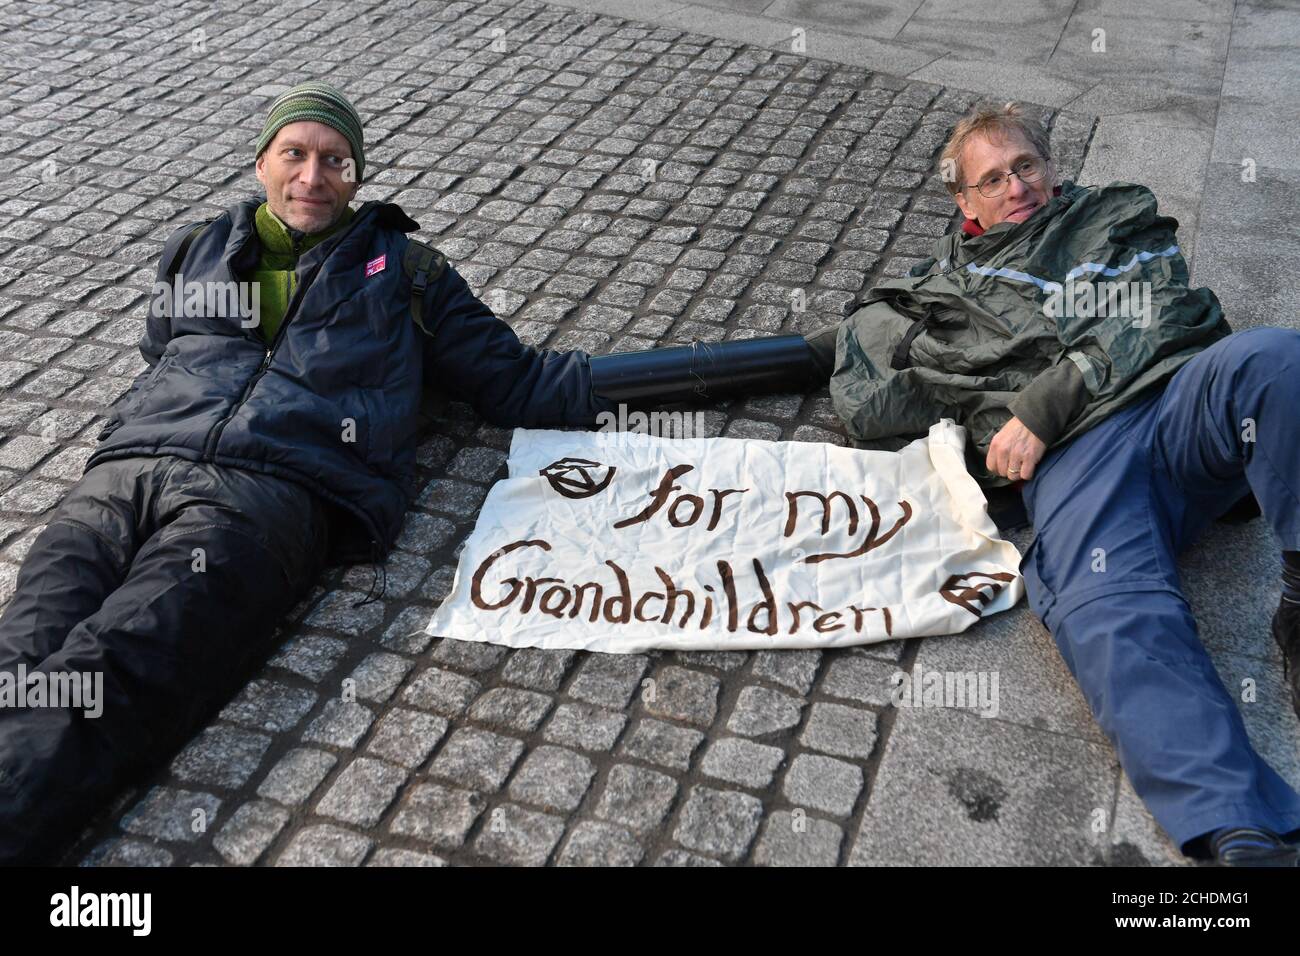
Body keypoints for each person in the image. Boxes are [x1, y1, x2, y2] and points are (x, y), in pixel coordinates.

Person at [0, 81, 615, 864]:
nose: (312, 178)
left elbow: (527, 384)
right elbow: (164, 350)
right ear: (262, 162)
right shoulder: (198, 245)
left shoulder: (408, 273)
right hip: (122, 477)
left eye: (335, 161)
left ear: (358, 177)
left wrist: (780, 360)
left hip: (262, 499)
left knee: (115, 664)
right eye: (294, 154)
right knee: (21, 648)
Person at [808, 102, 1300, 866]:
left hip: (1177, 400)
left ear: (1051, 167)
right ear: (964, 201)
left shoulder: (1111, 218)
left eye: (1026, 165)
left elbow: (1159, 305)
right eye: (993, 178)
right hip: (1080, 463)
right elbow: (864, 395)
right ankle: (1235, 824)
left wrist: (1046, 397)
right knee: (1109, 606)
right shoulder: (934, 297)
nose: (1017, 186)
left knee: (1277, 361)